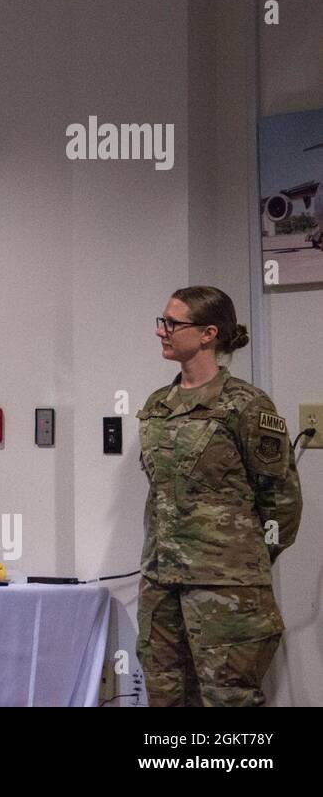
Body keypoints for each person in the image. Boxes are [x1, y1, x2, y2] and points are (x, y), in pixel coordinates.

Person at [135, 286, 302, 707]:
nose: (162, 331)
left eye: (173, 323)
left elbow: (281, 501)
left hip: (226, 591)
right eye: (162, 321)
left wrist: (242, 563)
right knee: (164, 697)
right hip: (161, 582)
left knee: (229, 700)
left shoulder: (245, 405)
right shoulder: (157, 405)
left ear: (208, 333)